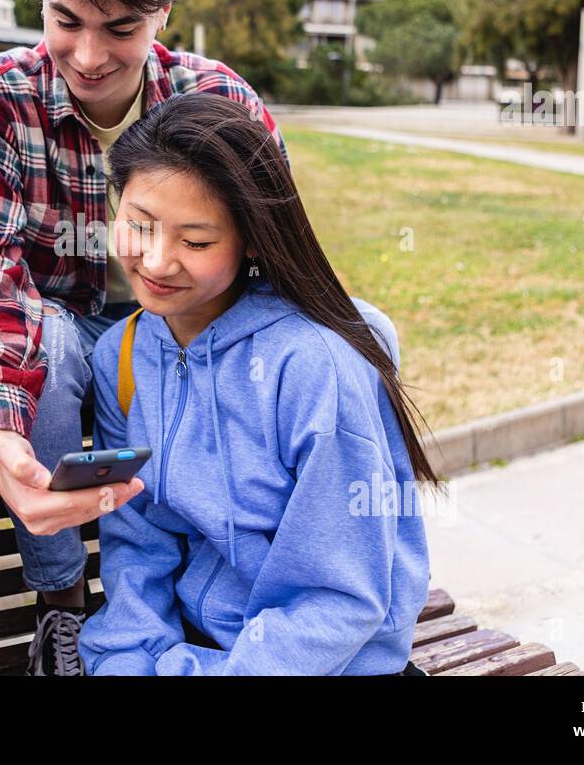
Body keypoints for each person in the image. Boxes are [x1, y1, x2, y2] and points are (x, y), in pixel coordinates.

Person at [0, 0, 397, 674]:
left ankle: (270, 581)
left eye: (119, 29)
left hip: (198, 331)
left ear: (164, 12)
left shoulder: (216, 97)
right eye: (64, 20)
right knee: (60, 343)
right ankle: (62, 608)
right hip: (66, 339)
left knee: (360, 332)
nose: (86, 54)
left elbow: (278, 263)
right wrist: (2, 432)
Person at [78, 93, 440, 675]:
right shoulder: (123, 354)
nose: (157, 260)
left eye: (196, 242)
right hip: (200, 648)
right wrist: (127, 660)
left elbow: (339, 601)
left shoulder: (314, 366)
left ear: (252, 241)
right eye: (139, 226)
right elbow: (137, 544)